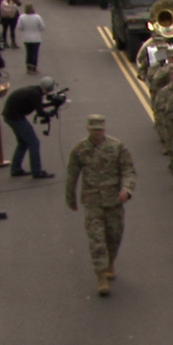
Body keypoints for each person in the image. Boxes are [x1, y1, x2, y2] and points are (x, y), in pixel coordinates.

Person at [65, 114, 137, 297]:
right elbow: (72, 175)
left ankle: (110, 261)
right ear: (88, 129)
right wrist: (70, 198)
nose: (98, 132)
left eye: (100, 129)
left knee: (114, 235)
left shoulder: (116, 147)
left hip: (114, 200)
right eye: (94, 129)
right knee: (97, 240)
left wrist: (127, 189)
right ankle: (101, 276)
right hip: (92, 200)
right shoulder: (80, 149)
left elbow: (128, 170)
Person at [1, 77, 57, 179]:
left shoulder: (34, 90)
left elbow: (37, 105)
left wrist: (52, 104)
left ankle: (16, 169)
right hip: (16, 118)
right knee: (34, 142)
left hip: (10, 116)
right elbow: (40, 112)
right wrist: (50, 113)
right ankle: (37, 171)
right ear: (47, 89)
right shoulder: (36, 94)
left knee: (23, 143)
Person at [17, 3, 45, 74]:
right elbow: (42, 27)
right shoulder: (37, 17)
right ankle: (33, 67)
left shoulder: (22, 17)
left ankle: (28, 67)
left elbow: (19, 27)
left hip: (26, 38)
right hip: (36, 38)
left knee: (28, 52)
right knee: (34, 53)